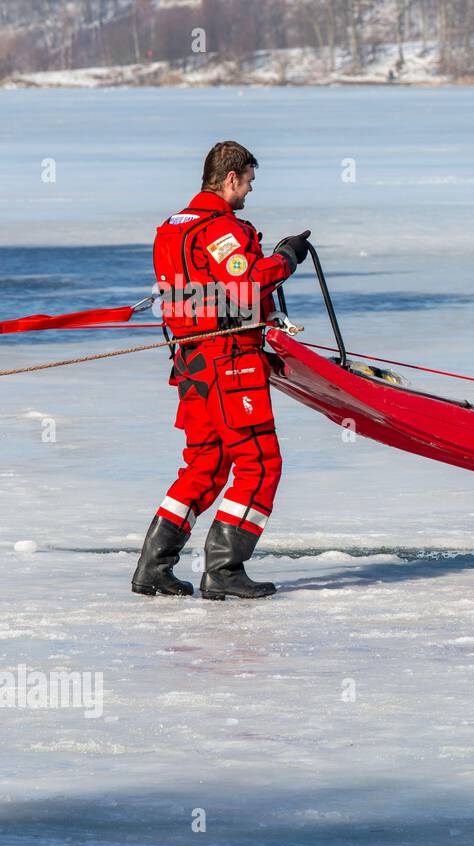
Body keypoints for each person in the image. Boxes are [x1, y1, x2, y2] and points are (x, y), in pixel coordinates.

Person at [131, 141, 311, 600]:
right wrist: (287, 257)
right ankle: (224, 569)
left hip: (190, 363)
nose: (250, 190)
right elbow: (246, 281)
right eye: (248, 180)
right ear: (230, 178)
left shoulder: (173, 227)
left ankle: (154, 567)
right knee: (260, 462)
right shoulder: (219, 229)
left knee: (207, 463)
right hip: (228, 362)